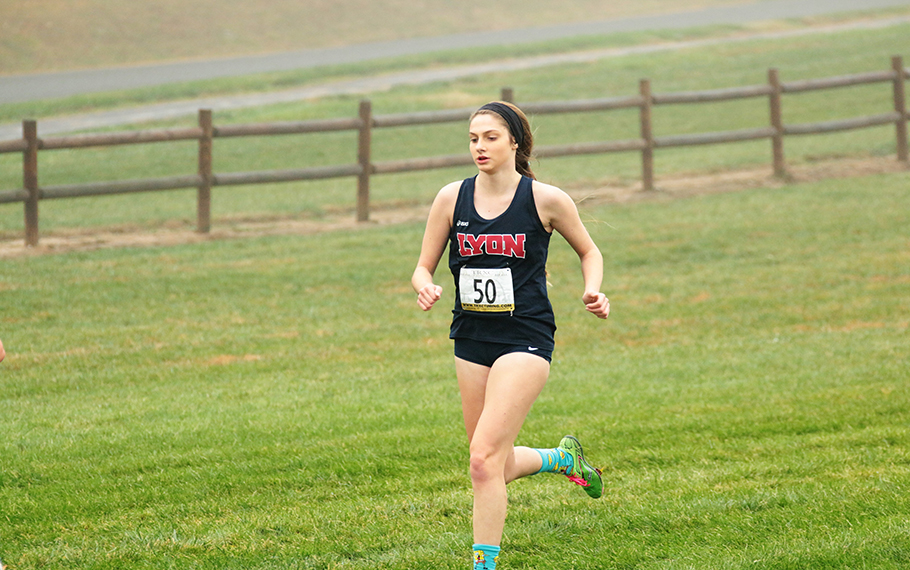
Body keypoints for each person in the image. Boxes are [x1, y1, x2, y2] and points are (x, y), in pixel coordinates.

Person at [411, 101, 611, 570]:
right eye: (473, 138)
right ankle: (563, 461)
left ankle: (484, 565)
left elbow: (590, 251)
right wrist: (426, 286)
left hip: (526, 337)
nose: (479, 147)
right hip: (471, 338)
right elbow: (422, 267)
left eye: (491, 138)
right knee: (493, 464)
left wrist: (593, 290)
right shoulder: (450, 198)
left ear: (515, 142)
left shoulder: (545, 199)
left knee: (481, 460)